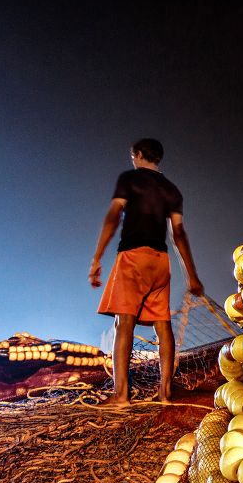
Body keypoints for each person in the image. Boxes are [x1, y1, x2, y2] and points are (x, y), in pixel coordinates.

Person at [89, 138, 204, 405]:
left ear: (138, 155)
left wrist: (96, 259)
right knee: (162, 324)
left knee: (123, 322)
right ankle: (165, 393)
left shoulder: (129, 179)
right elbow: (179, 234)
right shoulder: (172, 190)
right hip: (160, 261)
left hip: (133, 257)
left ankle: (121, 396)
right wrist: (192, 275)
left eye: (133, 156)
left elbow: (113, 216)